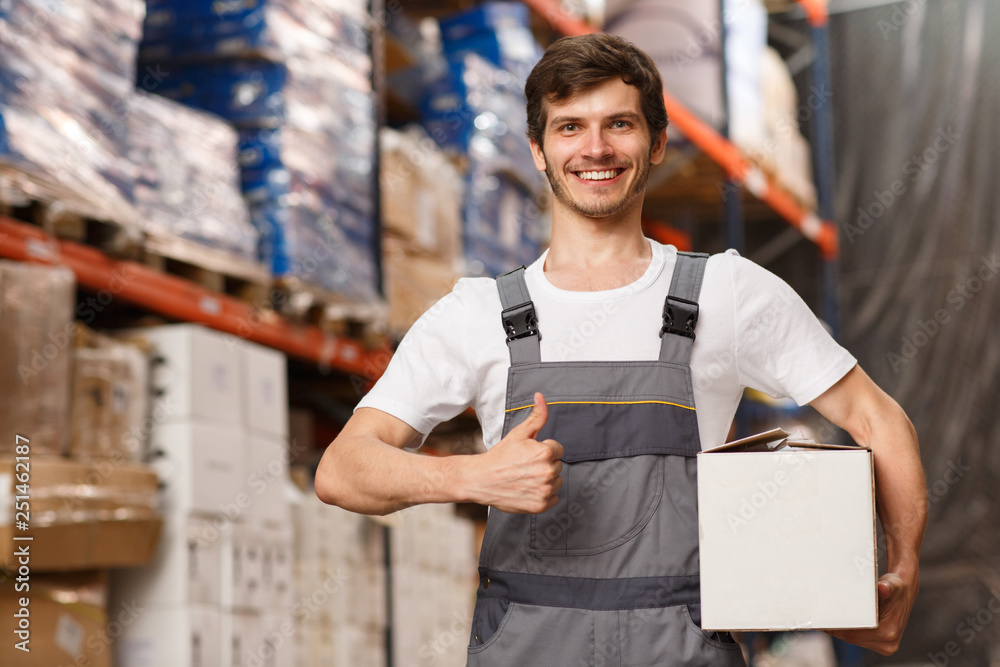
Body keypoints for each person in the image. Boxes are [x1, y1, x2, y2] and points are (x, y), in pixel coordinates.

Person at [315, 33, 926, 665]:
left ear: (657, 143)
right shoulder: (479, 314)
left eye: (620, 124)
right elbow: (342, 470)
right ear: (538, 151)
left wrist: (903, 571)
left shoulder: (728, 292)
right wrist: (470, 475)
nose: (595, 148)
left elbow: (878, 419)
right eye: (570, 127)